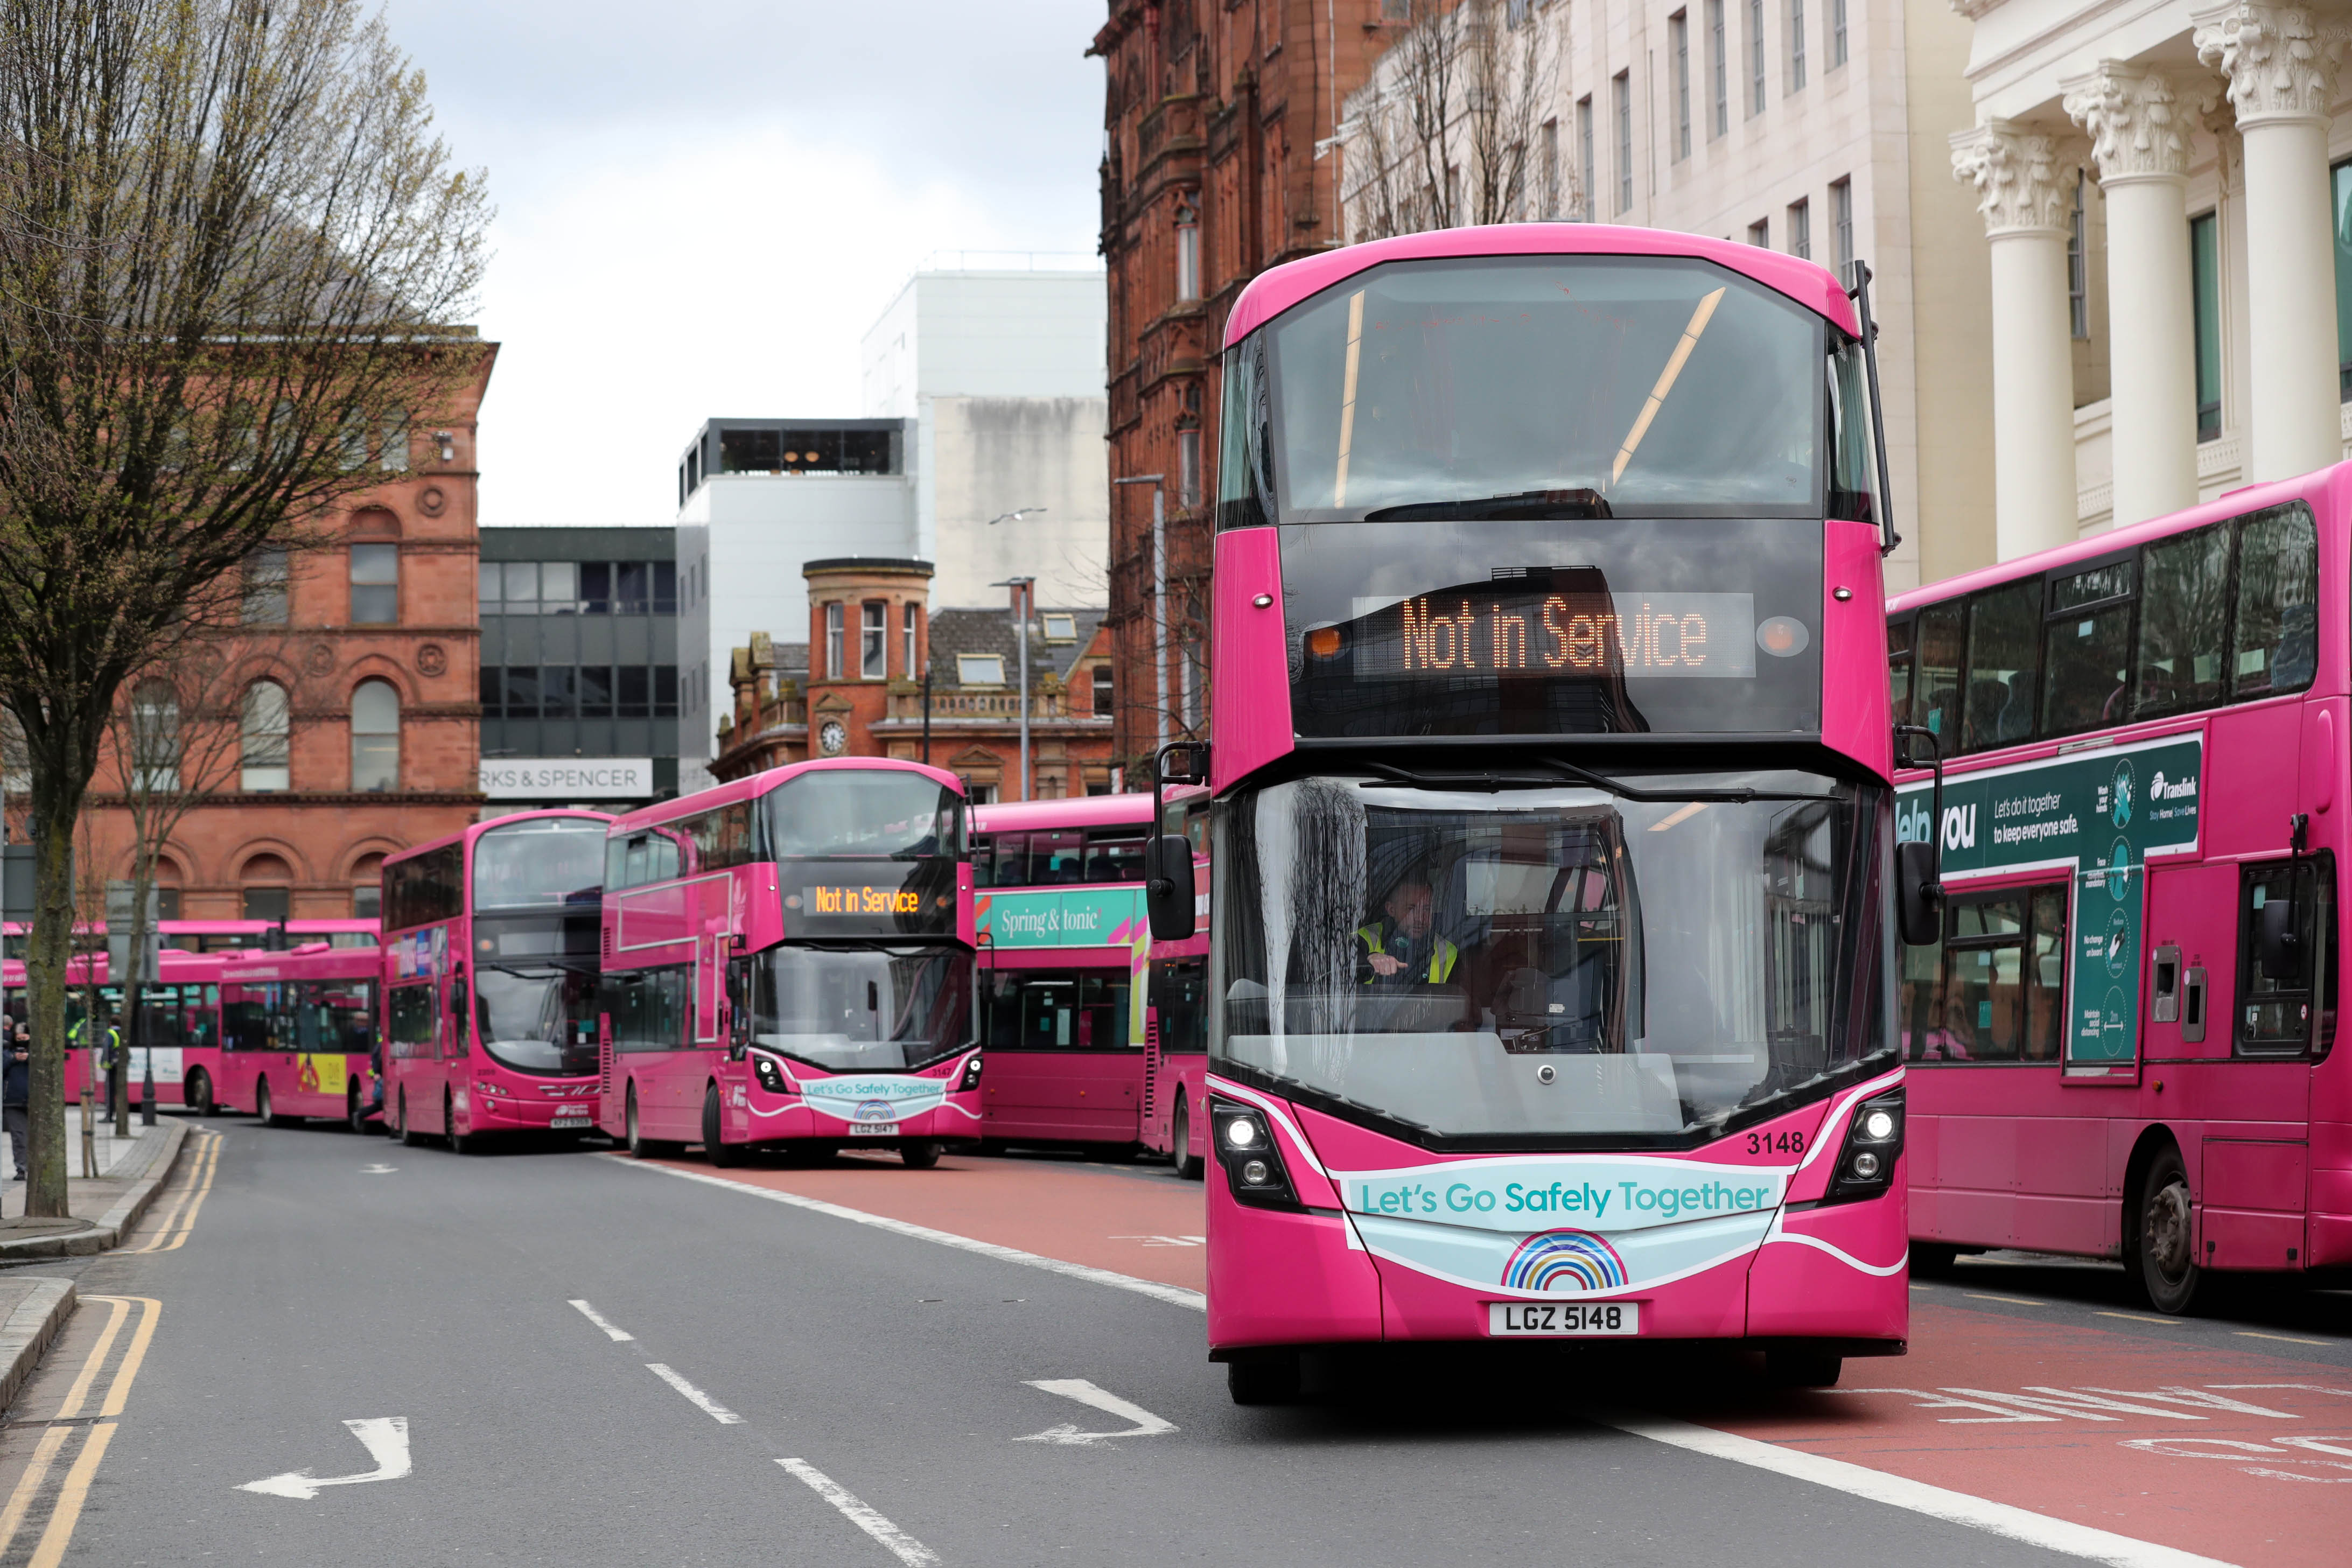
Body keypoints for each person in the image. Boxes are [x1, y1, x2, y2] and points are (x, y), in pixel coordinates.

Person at [1356, 873, 1460, 989]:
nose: (1420, 918)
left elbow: (1464, 1000)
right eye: (1411, 909)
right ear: (1391, 910)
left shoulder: (1448, 951)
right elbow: (1341, 973)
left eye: (1426, 909)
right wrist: (1368, 961)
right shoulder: (1364, 939)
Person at [4, 1024, 28, 1180]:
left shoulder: (38, 1053)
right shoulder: (7, 1054)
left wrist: (30, 1058)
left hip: (35, 1100)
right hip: (13, 1101)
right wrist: (13, 1059)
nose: (21, 1043)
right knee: (18, 1137)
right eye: (18, 1039)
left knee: (35, 1137)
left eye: (24, 1039)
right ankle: (21, 1168)